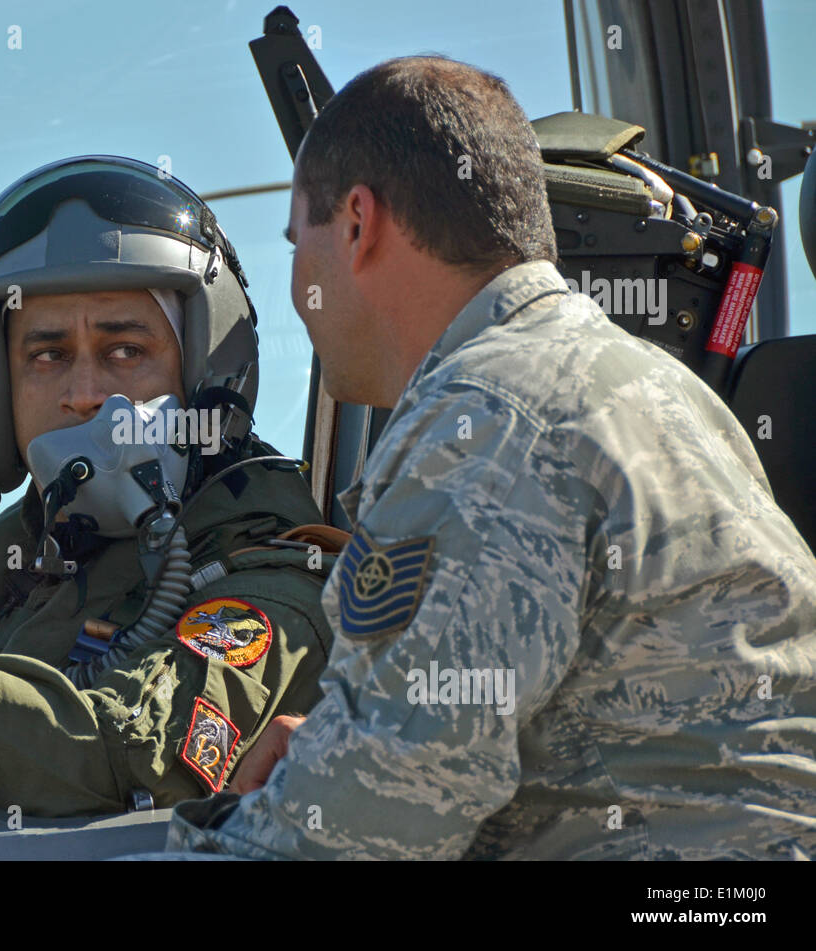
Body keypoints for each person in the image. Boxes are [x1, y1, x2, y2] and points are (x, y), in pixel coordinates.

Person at [163, 56, 816, 859]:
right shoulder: (657, 390)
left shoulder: (484, 420)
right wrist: (338, 741)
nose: (298, 284)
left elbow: (384, 810)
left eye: (301, 241)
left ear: (359, 224)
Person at [0, 157, 336, 818]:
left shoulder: (273, 585)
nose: (87, 395)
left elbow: (117, 758)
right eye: (49, 355)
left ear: (207, 375)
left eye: (125, 350)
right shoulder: (19, 577)